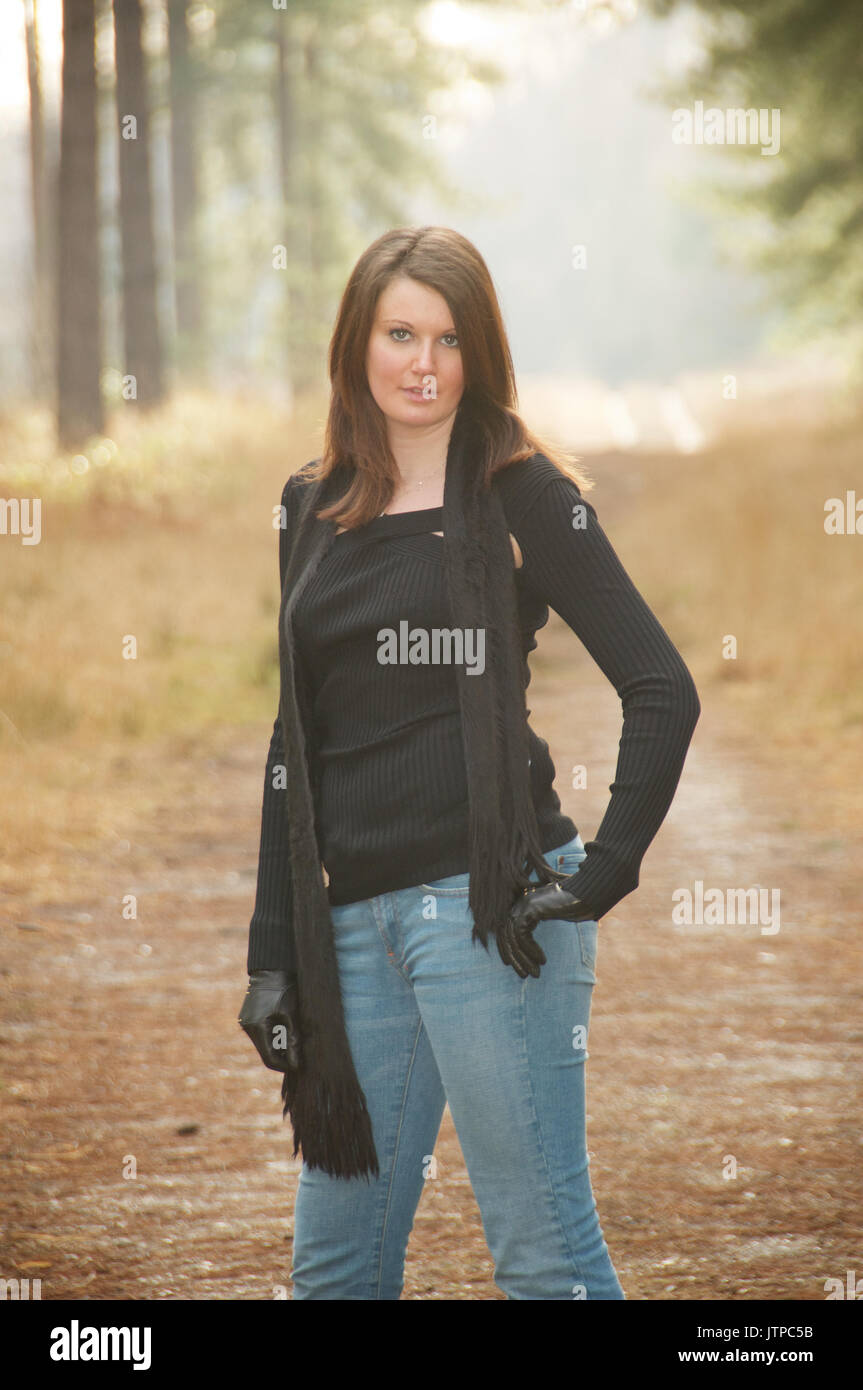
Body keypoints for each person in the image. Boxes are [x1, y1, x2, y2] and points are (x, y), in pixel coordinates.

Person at [239, 226, 701, 1300]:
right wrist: (275, 953)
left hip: (493, 922)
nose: (422, 363)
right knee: (333, 1271)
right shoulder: (307, 505)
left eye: (448, 339)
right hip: (350, 932)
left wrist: (601, 871)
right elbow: (290, 743)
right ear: (357, 341)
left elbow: (660, 685)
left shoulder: (519, 490)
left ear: (477, 351)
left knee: (541, 1259)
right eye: (399, 332)